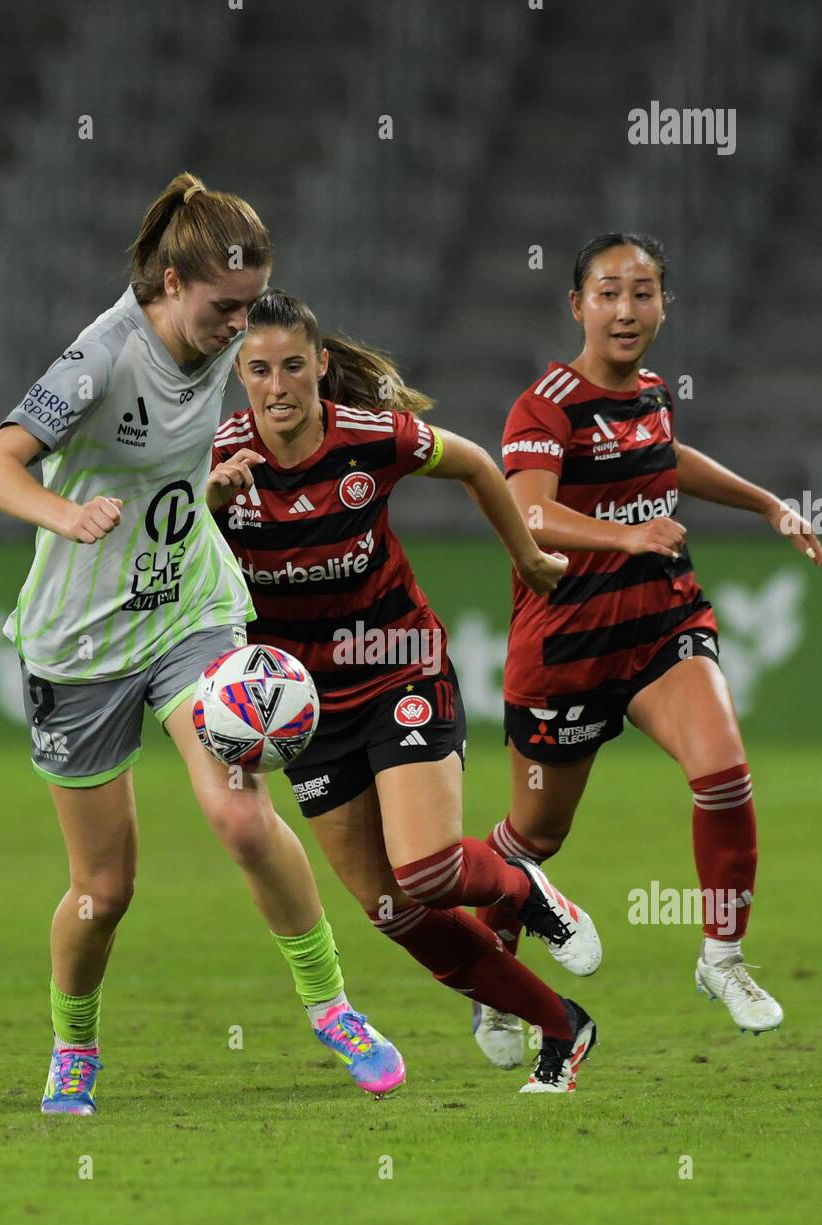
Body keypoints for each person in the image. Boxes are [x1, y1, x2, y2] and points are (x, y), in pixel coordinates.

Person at [0, 173, 405, 1115]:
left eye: (250, 308)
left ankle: (332, 1008)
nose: (240, 330)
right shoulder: (99, 361)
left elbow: (173, 453)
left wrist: (206, 486)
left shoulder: (219, 339)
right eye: (224, 310)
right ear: (169, 285)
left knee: (242, 817)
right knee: (105, 887)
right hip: (78, 649)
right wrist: (66, 513)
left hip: (187, 612)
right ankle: (74, 1047)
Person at [207, 287, 601, 1094]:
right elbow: (171, 555)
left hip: (398, 667)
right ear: (237, 375)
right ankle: (563, 1027)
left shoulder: (371, 437)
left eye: (291, 366)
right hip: (304, 710)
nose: (276, 386)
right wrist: (206, 508)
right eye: (257, 371)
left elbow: (478, 465)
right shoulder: (215, 465)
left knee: (425, 869)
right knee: (395, 913)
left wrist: (525, 556)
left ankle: (524, 889)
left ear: (320, 365)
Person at [472, 231, 822, 1061]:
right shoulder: (545, 405)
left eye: (642, 292)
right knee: (532, 839)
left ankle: (722, 958)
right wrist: (622, 538)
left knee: (723, 774)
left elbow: (666, 458)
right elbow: (527, 514)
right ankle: (494, 977)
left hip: (661, 627)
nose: (626, 309)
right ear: (577, 305)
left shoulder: (653, 394)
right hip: (564, 652)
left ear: (663, 304)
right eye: (608, 292)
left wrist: (767, 503)